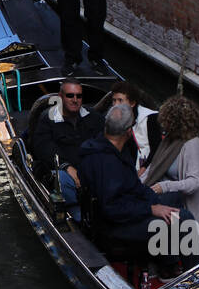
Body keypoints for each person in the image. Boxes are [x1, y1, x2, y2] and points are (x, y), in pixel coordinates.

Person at [77, 103, 188, 248]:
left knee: (174, 197)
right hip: (113, 226)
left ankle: (168, 256)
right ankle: (175, 264)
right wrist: (151, 209)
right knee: (183, 218)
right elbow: (112, 208)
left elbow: (134, 186)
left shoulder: (114, 149)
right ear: (129, 131)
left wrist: (154, 202)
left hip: (126, 209)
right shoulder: (107, 163)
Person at [26, 82, 103, 211]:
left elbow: (103, 142)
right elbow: (44, 149)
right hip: (64, 173)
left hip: (91, 169)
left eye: (78, 96)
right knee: (61, 178)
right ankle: (74, 215)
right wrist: (67, 167)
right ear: (61, 97)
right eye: (70, 96)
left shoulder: (93, 117)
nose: (75, 100)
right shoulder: (47, 119)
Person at [141, 96, 199, 224]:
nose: (163, 127)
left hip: (186, 207)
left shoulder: (193, 145)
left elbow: (194, 183)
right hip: (170, 201)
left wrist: (165, 187)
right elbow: (154, 167)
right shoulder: (169, 140)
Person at [110, 81, 160, 170]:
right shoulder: (112, 119)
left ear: (132, 103)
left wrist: (144, 168)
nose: (116, 105)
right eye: (114, 100)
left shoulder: (150, 118)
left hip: (148, 169)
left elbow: (157, 149)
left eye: (120, 100)